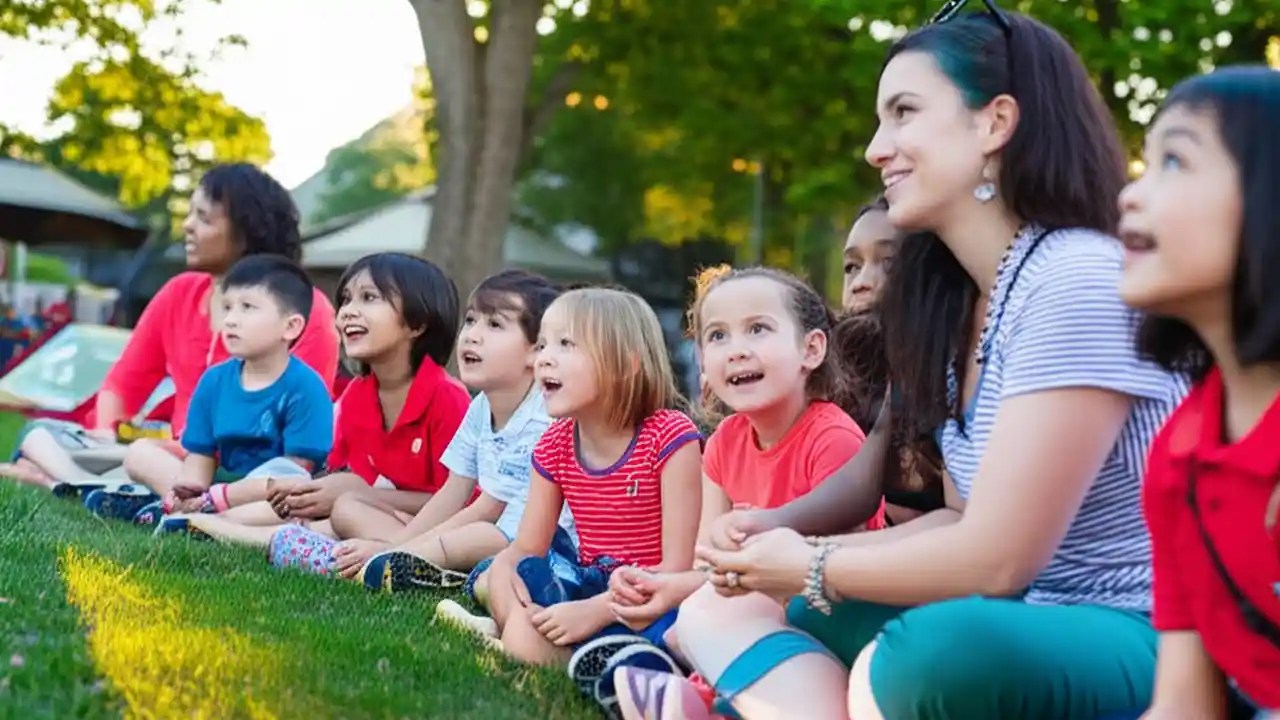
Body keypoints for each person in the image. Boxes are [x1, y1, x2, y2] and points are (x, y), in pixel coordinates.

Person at [674, 6, 1189, 720]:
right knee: (721, 608)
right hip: (1008, 612)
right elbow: (956, 519)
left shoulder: (1075, 278)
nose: (876, 149)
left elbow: (1001, 557)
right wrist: (785, 546)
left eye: (904, 113)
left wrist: (814, 564)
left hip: (1138, 630)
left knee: (923, 657)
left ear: (994, 124)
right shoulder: (961, 304)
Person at [590, 267, 869, 717]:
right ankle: (710, 693)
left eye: (758, 329)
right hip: (748, 604)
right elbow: (709, 562)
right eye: (717, 336)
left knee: (702, 618)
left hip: (821, 612)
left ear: (811, 349)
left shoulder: (832, 439)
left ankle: (709, 696)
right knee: (690, 615)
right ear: (701, 359)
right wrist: (663, 586)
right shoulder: (722, 444)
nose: (736, 350)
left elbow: (840, 569)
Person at [0, 164, 339, 495]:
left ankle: (81, 482)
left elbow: (295, 437)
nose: (188, 227)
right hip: (169, 456)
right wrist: (104, 433)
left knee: (143, 457)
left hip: (249, 472)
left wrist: (175, 453)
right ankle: (90, 483)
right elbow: (123, 384)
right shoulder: (180, 292)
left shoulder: (308, 312)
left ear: (249, 232)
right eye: (191, 214)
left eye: (203, 218)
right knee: (41, 434)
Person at [1118, 66, 1280, 720]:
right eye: (1145, 163)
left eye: (1176, 161)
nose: (1131, 193)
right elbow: (1185, 702)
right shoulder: (1178, 463)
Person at [463, 288, 702, 669]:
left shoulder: (670, 437)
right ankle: (532, 639)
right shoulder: (553, 445)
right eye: (542, 346)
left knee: (683, 627)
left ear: (625, 364)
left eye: (566, 344)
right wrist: (507, 570)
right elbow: (527, 547)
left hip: (655, 597)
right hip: (589, 582)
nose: (544, 359)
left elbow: (677, 569)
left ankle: (550, 649)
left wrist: (598, 610)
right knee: (505, 572)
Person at [174, 253, 468, 555]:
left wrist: (358, 494)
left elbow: (461, 502)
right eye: (346, 299)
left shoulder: (448, 399)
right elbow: (347, 477)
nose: (348, 312)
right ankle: (223, 523)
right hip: (373, 515)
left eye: (368, 298)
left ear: (417, 323)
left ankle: (250, 534)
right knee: (315, 501)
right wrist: (312, 493)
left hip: (437, 529)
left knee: (347, 509)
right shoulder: (359, 396)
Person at [323, 270, 574, 590]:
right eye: (470, 320)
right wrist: (399, 544)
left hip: (543, 545)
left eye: (494, 324)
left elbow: (492, 511)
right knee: (348, 507)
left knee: (481, 536)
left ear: (536, 351)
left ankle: (411, 563)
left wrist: (397, 548)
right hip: (488, 532)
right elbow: (453, 493)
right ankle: (414, 561)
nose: (472, 335)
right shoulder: (481, 407)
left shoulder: (545, 417)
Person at [88, 256, 335, 524]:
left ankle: (182, 514)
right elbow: (201, 454)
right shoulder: (214, 381)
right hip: (218, 486)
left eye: (247, 308)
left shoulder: (307, 388)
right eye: (227, 307)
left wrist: (223, 497)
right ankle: (188, 511)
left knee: (287, 503)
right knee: (139, 454)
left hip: (271, 493)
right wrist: (190, 488)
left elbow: (295, 472)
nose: (230, 320)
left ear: (291, 326)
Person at [835, 196, 945, 527]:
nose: (861, 282)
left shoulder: (961, 384)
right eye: (852, 266)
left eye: (890, 262)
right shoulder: (823, 385)